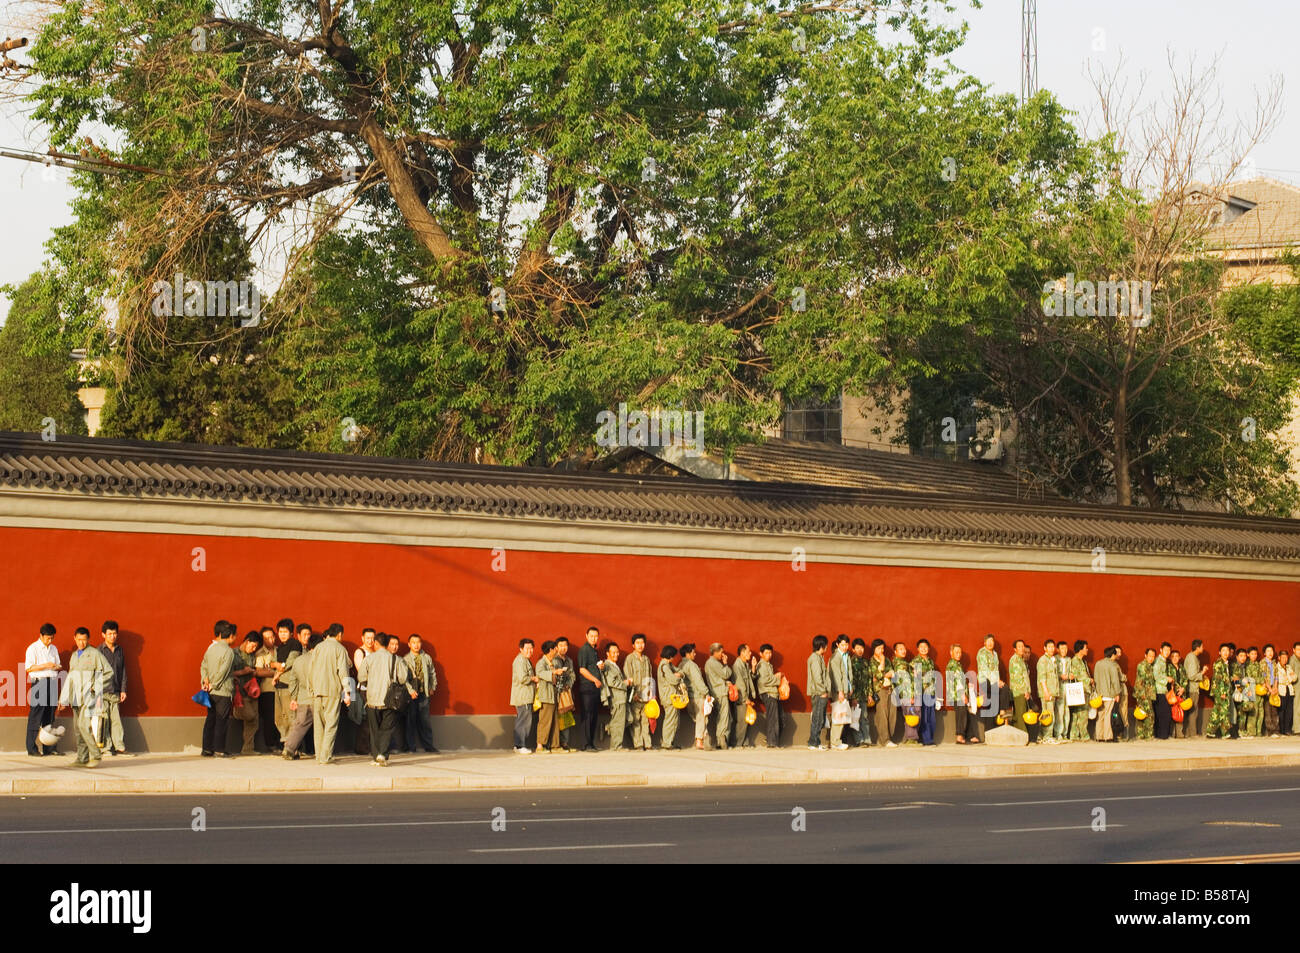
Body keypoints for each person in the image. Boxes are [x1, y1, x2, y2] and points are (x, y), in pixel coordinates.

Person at [56, 627, 115, 767]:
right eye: (79, 640)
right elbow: (70, 678)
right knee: (78, 729)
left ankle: (95, 755)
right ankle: (82, 758)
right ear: (74, 638)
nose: (82, 643)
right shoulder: (74, 656)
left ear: (88, 639)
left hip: (90, 696)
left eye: (84, 640)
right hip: (76, 697)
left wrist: (96, 686)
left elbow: (109, 672)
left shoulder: (95, 654)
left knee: (83, 725)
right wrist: (63, 699)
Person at [357, 634, 416, 765]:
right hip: (390, 700)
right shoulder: (396, 659)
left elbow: (361, 677)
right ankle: (382, 754)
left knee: (374, 730)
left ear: (376, 644)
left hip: (372, 699)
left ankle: (376, 756)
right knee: (387, 729)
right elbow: (402, 678)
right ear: (388, 644)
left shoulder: (369, 658)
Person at [309, 623, 352, 764]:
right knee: (331, 723)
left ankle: (318, 755)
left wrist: (311, 688)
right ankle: (325, 756)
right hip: (332, 690)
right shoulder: (340, 649)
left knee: (319, 724)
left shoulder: (318, 647)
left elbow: (311, 669)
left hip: (317, 690)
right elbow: (344, 672)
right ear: (339, 634)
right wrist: (347, 691)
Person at [200, 620, 238, 757]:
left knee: (210, 719)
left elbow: (203, 666)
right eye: (235, 636)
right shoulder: (229, 652)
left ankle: (206, 748)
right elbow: (223, 672)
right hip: (222, 690)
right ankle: (219, 749)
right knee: (221, 720)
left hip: (210, 691)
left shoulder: (211, 648)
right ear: (231, 636)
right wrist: (214, 684)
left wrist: (205, 681)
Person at [24, 623, 62, 756]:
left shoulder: (53, 649)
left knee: (49, 716)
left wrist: (54, 666)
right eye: (47, 638)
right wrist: (46, 665)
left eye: (52, 638)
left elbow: (58, 665)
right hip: (39, 683)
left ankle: (49, 748)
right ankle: (32, 748)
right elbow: (29, 668)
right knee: (36, 716)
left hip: (51, 682)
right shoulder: (32, 648)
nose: (49, 641)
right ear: (41, 636)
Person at [97, 620, 129, 756]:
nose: (112, 636)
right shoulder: (98, 651)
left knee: (116, 720)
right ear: (103, 635)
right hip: (102, 691)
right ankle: (106, 748)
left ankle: (119, 747)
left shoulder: (120, 650)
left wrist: (123, 689)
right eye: (109, 634)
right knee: (104, 720)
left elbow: (123, 671)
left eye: (115, 633)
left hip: (115, 690)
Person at [230, 631, 264, 755]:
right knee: (249, 715)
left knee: (254, 721)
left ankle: (248, 749)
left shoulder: (252, 656)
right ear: (246, 641)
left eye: (256, 647)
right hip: (240, 693)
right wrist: (242, 672)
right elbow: (228, 673)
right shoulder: (233, 654)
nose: (253, 649)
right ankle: (236, 713)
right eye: (252, 645)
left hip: (252, 692)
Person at [405, 633, 438, 753]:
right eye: (413, 642)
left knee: (425, 721)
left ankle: (429, 746)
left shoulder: (426, 657)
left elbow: (432, 673)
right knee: (411, 720)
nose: (416, 645)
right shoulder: (406, 659)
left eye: (418, 642)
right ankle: (410, 747)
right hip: (412, 694)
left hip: (424, 693)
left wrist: (432, 686)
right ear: (409, 644)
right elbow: (403, 678)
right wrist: (410, 690)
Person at [576, 626, 604, 751]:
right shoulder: (584, 650)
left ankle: (591, 743)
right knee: (587, 716)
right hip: (588, 687)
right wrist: (595, 679)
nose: (594, 638)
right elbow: (582, 669)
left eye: (596, 636)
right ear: (586, 636)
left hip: (595, 688)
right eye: (591, 636)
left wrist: (601, 667)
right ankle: (586, 744)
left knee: (593, 715)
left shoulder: (594, 650)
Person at [624, 634, 653, 751]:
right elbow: (627, 675)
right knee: (635, 720)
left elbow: (650, 676)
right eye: (637, 643)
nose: (640, 645)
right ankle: (638, 744)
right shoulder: (630, 659)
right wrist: (633, 692)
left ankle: (648, 743)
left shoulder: (646, 659)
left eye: (642, 643)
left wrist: (651, 692)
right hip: (635, 695)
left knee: (645, 720)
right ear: (633, 645)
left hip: (646, 695)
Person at [534, 640, 563, 753]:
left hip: (554, 695)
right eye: (555, 648)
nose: (557, 650)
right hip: (546, 696)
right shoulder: (541, 663)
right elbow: (540, 673)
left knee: (555, 721)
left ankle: (555, 745)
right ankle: (540, 745)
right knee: (544, 721)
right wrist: (554, 673)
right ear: (550, 650)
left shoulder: (554, 662)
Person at [352, 628, 378, 755]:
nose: (370, 641)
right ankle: (362, 748)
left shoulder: (375, 652)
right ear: (362, 638)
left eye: (373, 638)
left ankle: (369, 746)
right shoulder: (359, 652)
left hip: (374, 689)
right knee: (365, 718)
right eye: (368, 638)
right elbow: (361, 671)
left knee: (372, 718)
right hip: (364, 689)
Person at [600, 641, 630, 750]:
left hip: (622, 697)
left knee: (628, 719)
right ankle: (616, 746)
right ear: (607, 653)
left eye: (617, 652)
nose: (616, 654)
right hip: (616, 697)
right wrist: (624, 683)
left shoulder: (614, 665)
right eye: (613, 652)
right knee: (619, 722)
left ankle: (607, 727)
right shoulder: (607, 665)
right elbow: (611, 682)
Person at [680, 643, 710, 750]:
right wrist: (706, 692)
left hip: (688, 696)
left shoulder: (680, 665)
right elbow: (698, 681)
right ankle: (699, 740)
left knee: (697, 718)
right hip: (697, 695)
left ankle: (703, 736)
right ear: (688, 654)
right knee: (701, 717)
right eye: (693, 652)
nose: (695, 654)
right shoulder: (691, 665)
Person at [511, 638, 538, 753]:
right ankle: (519, 745)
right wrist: (534, 678)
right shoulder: (520, 661)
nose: (530, 651)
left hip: (525, 696)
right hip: (523, 696)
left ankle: (519, 745)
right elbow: (523, 678)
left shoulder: (525, 660)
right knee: (523, 721)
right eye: (527, 648)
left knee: (524, 720)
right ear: (521, 649)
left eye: (531, 648)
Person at [256, 625, 281, 752]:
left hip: (280, 689)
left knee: (280, 716)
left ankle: (280, 742)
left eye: (272, 637)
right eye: (267, 638)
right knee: (269, 718)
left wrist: (271, 670)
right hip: (267, 690)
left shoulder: (280, 650)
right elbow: (259, 672)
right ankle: (271, 744)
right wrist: (276, 672)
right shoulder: (260, 653)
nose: (270, 640)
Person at [704, 643, 733, 750]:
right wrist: (725, 664)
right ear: (715, 652)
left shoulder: (708, 663)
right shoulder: (714, 663)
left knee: (721, 717)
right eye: (721, 652)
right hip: (720, 692)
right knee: (724, 717)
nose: (722, 654)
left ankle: (720, 739)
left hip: (715, 692)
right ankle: (721, 740)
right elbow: (726, 674)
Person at [947, 644, 977, 744]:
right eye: (956, 652)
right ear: (951, 653)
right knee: (961, 714)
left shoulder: (958, 664)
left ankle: (969, 735)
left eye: (960, 652)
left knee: (965, 713)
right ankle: (959, 736)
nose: (959, 654)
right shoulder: (953, 665)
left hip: (960, 694)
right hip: (957, 694)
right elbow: (957, 682)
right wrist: (962, 695)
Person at [657, 646, 685, 750]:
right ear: (670, 656)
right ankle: (666, 743)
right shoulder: (664, 666)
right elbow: (673, 680)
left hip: (673, 697)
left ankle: (670, 741)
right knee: (670, 720)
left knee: (674, 720)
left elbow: (680, 672)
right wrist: (678, 676)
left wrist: (679, 674)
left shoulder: (668, 665)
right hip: (669, 697)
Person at [828, 635, 853, 750]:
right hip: (839, 691)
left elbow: (848, 674)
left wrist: (850, 686)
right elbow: (837, 676)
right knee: (838, 716)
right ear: (837, 645)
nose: (845, 647)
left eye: (846, 644)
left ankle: (836, 741)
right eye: (842, 645)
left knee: (842, 716)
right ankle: (834, 742)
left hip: (845, 689)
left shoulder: (846, 656)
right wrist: (840, 691)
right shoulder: (835, 657)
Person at [1205, 643, 1236, 739]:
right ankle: (1225, 733)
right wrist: (1222, 692)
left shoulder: (1226, 663)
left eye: (1227, 651)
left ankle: (1210, 732)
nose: (1226, 653)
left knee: (1217, 711)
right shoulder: (1219, 663)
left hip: (1224, 690)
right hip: (1221, 691)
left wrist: (1233, 678)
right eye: (1223, 651)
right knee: (1224, 712)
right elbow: (1219, 679)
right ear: (1219, 652)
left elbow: (1225, 677)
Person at [867, 639, 894, 747]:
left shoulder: (887, 660)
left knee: (892, 714)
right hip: (880, 690)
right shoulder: (872, 661)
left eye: (882, 648)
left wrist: (884, 674)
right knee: (882, 715)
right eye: (879, 648)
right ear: (874, 649)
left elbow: (892, 672)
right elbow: (876, 675)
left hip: (889, 688)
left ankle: (889, 737)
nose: (881, 650)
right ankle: (885, 740)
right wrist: (882, 663)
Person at [1093, 646, 1123, 742]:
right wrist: (1117, 693)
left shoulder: (1098, 663)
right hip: (1109, 694)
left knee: (1100, 715)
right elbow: (1115, 681)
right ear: (1113, 654)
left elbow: (1096, 678)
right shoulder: (1112, 665)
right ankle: (1108, 736)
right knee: (1108, 715)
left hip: (1100, 694)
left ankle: (1099, 736)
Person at [806, 635, 830, 750]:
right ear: (822, 646)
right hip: (819, 693)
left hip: (819, 692)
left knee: (819, 718)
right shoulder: (815, 658)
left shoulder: (819, 657)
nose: (827, 647)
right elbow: (817, 677)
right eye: (826, 645)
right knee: (818, 718)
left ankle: (814, 741)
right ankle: (813, 742)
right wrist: (822, 691)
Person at [756, 644, 782, 748]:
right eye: (766, 653)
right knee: (773, 718)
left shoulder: (768, 665)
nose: (769, 655)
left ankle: (771, 739)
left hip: (772, 693)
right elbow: (764, 681)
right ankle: (772, 743)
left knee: (778, 718)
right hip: (768, 693)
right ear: (761, 654)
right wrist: (778, 679)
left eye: (770, 653)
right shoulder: (762, 665)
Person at [976, 634, 1002, 736]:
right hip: (985, 681)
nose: (991, 643)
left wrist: (998, 681)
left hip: (994, 681)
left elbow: (996, 670)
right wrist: (996, 682)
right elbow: (985, 670)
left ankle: (992, 731)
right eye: (988, 641)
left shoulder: (995, 654)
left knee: (994, 705)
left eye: (992, 641)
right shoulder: (982, 653)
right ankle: (988, 732)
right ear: (984, 643)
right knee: (990, 705)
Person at [912, 639, 937, 746]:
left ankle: (930, 737)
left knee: (932, 717)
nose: (923, 648)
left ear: (929, 648)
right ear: (917, 649)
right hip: (921, 693)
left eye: (925, 646)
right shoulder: (915, 662)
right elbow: (915, 679)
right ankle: (926, 739)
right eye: (921, 647)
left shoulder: (931, 661)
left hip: (931, 692)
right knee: (925, 717)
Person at [1066, 641, 1092, 742]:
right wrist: (1089, 680)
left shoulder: (1082, 661)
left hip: (1083, 690)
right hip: (1080, 690)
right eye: (1085, 648)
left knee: (1077, 713)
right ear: (1080, 649)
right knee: (1082, 714)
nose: (1087, 650)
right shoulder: (1075, 661)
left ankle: (1074, 735)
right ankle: (1083, 736)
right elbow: (1077, 676)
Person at [732, 644, 757, 747]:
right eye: (748, 652)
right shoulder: (737, 665)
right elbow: (740, 683)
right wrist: (745, 699)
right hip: (741, 698)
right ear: (742, 653)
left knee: (746, 720)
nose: (750, 653)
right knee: (741, 722)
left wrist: (754, 666)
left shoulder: (745, 664)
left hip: (745, 696)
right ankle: (737, 744)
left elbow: (751, 678)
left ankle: (744, 743)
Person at [891, 643, 916, 744]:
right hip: (905, 694)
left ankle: (910, 738)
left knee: (909, 714)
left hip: (904, 694)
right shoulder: (900, 664)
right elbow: (904, 682)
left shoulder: (904, 663)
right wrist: (909, 695)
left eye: (904, 649)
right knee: (910, 715)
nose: (903, 651)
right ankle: (910, 739)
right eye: (900, 649)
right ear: (895, 652)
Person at [553, 636, 575, 752]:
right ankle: (556, 743)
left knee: (566, 717)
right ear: (556, 647)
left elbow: (572, 675)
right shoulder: (554, 659)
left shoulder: (569, 660)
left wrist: (568, 685)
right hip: (556, 694)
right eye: (561, 646)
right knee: (556, 717)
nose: (563, 648)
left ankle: (565, 742)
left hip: (566, 694)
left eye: (565, 646)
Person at [1036, 639, 1060, 744]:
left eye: (1052, 647)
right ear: (1044, 648)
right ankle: (1047, 736)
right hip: (1047, 692)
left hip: (1053, 691)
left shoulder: (1052, 660)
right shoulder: (1043, 660)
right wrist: (1046, 691)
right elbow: (1042, 677)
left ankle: (1042, 736)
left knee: (1047, 714)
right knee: (1049, 715)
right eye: (1049, 647)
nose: (1051, 649)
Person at [849, 639, 872, 747]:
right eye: (857, 648)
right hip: (855, 696)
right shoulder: (851, 662)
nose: (860, 650)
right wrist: (853, 697)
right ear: (853, 649)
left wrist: (870, 694)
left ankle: (867, 739)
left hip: (864, 695)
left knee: (864, 718)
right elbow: (851, 680)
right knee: (855, 718)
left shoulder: (866, 662)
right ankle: (859, 740)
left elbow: (869, 680)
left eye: (861, 648)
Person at [1183, 640, 1208, 738]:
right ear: (1197, 648)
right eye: (1202, 646)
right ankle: (1192, 733)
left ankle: (1189, 732)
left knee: (1192, 710)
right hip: (1192, 688)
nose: (1203, 648)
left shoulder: (1192, 657)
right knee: (1193, 711)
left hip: (1192, 688)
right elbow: (1192, 676)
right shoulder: (1192, 658)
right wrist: (1202, 672)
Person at [1008, 639, 1031, 734]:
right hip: (1019, 692)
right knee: (1020, 715)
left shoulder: (1021, 660)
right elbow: (1018, 679)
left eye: (1023, 646)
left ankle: (1018, 735)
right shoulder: (1015, 660)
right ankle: (1023, 735)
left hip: (1022, 692)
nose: (1022, 648)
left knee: (1019, 715)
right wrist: (1025, 691)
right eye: (1019, 647)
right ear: (1015, 649)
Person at [1152, 642, 1174, 740]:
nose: (1167, 652)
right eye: (1165, 650)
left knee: (1161, 713)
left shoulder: (1164, 661)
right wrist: (1167, 679)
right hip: (1159, 690)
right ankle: (1162, 735)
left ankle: (1160, 734)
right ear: (1161, 650)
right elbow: (1156, 676)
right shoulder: (1158, 661)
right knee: (1164, 713)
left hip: (1163, 690)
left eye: (1169, 650)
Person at [1134, 648, 1156, 740]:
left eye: (1153, 656)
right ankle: (1148, 735)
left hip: (1148, 694)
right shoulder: (1142, 666)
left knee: (1143, 714)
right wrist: (1142, 695)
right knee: (1148, 715)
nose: (1151, 658)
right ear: (1145, 655)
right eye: (1150, 656)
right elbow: (1141, 681)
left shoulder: (1151, 666)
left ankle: (1141, 735)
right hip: (1143, 694)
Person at [1261, 644, 1280, 738]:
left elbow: (1276, 676)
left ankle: (1276, 730)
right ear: (1264, 653)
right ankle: (1269, 730)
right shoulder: (1263, 663)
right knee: (1268, 710)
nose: (1270, 653)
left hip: (1274, 689)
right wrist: (1270, 689)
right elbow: (1264, 677)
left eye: (1271, 651)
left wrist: (1275, 687)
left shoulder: (1274, 663)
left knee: (1274, 710)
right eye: (1268, 651)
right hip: (1267, 689)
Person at [1277, 649, 1295, 736]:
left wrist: (1289, 678)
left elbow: (1294, 677)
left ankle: (1287, 729)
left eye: (1286, 658)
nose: (1284, 659)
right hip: (1281, 690)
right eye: (1283, 657)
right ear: (1279, 658)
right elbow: (1280, 679)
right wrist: (1289, 677)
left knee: (1289, 710)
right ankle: (1282, 729)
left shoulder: (1288, 667)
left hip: (1289, 690)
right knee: (1281, 711)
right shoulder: (1276, 667)